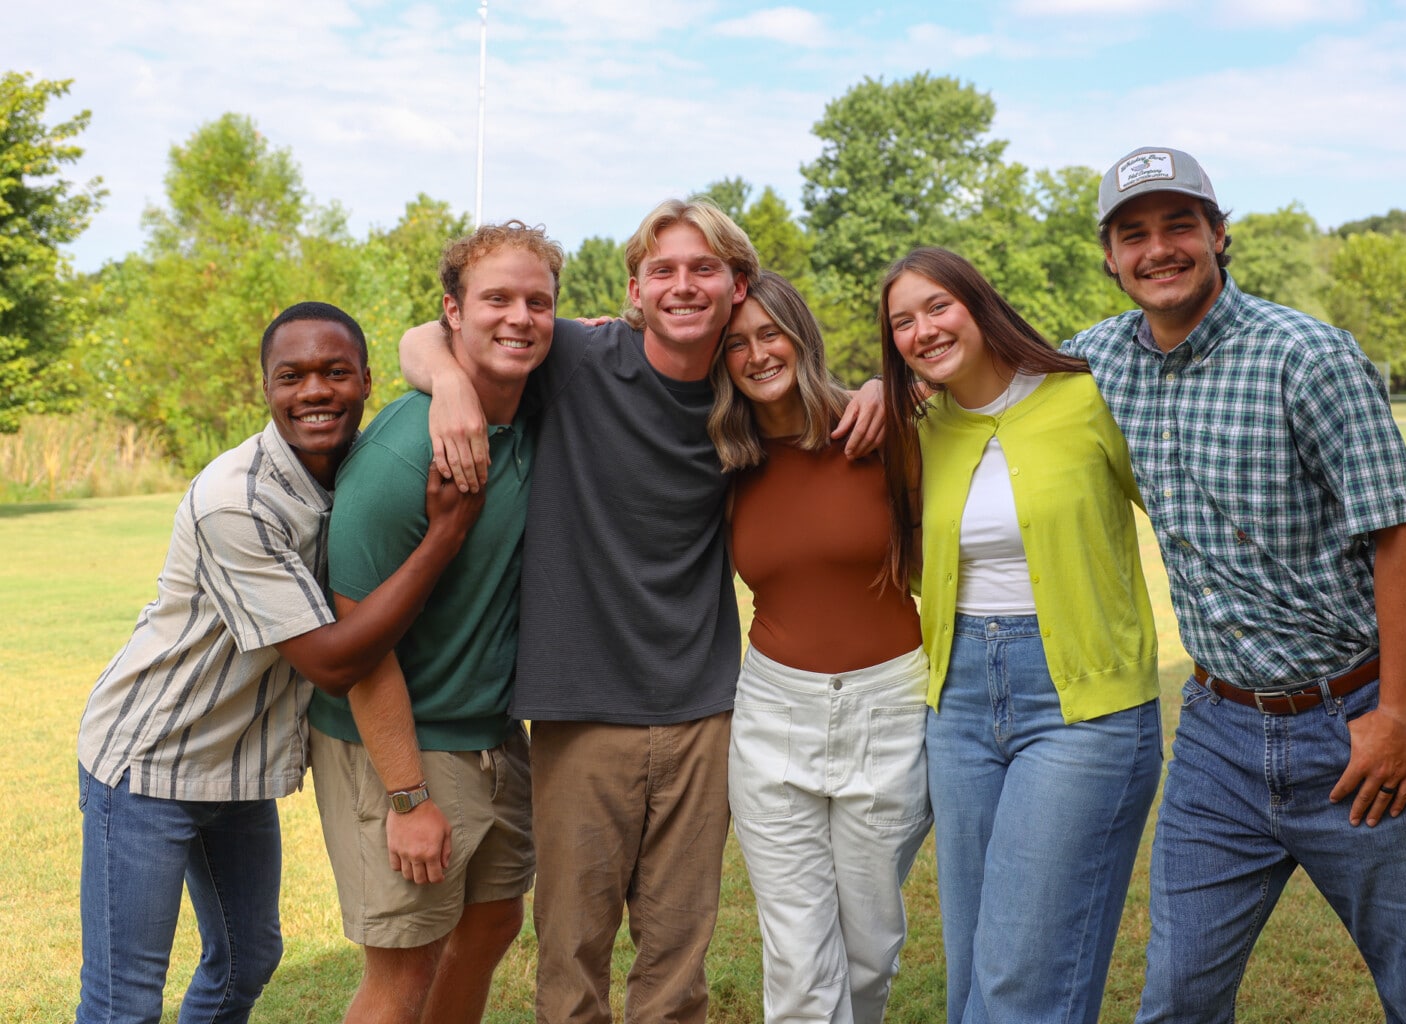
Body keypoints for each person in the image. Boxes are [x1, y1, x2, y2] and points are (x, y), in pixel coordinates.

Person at [400, 199, 884, 1024]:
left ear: (738, 286)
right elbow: (432, 333)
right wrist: (448, 383)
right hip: (580, 710)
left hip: (704, 711)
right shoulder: (578, 358)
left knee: (676, 960)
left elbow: (826, 397)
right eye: (663, 270)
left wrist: (878, 387)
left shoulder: (745, 389)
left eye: (704, 269)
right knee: (572, 955)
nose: (683, 285)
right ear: (635, 289)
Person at [1068, 145, 1406, 1024]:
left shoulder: (1305, 354)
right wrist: (886, 385)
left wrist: (1400, 715)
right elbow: (983, 377)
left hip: (1355, 722)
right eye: (1133, 234)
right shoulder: (1093, 362)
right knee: (1177, 1000)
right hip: (1217, 736)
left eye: (1179, 225)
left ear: (1219, 234)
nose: (1159, 249)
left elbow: (1405, 533)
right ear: (1109, 257)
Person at [75, 301, 482, 1024]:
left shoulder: (359, 469)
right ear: (265, 387)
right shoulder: (235, 500)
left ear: (366, 381)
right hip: (148, 763)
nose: (315, 391)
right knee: (125, 999)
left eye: (336, 372)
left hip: (236, 766)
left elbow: (430, 337)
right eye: (291, 376)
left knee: (247, 959)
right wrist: (444, 537)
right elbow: (332, 664)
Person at [878, 247, 1162, 1024]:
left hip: (1082, 705)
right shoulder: (920, 430)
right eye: (902, 322)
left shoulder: (1086, 397)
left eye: (938, 306)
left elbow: (1185, 513)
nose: (923, 330)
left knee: (1020, 976)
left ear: (979, 304)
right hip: (958, 706)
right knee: (973, 966)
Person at [308, 222, 561, 1024]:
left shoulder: (532, 408)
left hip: (492, 733)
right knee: (403, 971)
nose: (520, 317)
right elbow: (361, 647)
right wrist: (408, 797)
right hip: (401, 742)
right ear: (453, 312)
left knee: (490, 925)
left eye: (538, 301)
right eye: (497, 299)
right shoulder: (403, 456)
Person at [708, 271, 930, 1024]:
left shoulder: (880, 428)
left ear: (801, 335)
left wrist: (889, 388)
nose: (757, 354)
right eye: (736, 343)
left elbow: (970, 380)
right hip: (775, 716)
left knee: (869, 952)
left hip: (888, 711)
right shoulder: (724, 456)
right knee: (800, 963)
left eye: (771, 333)